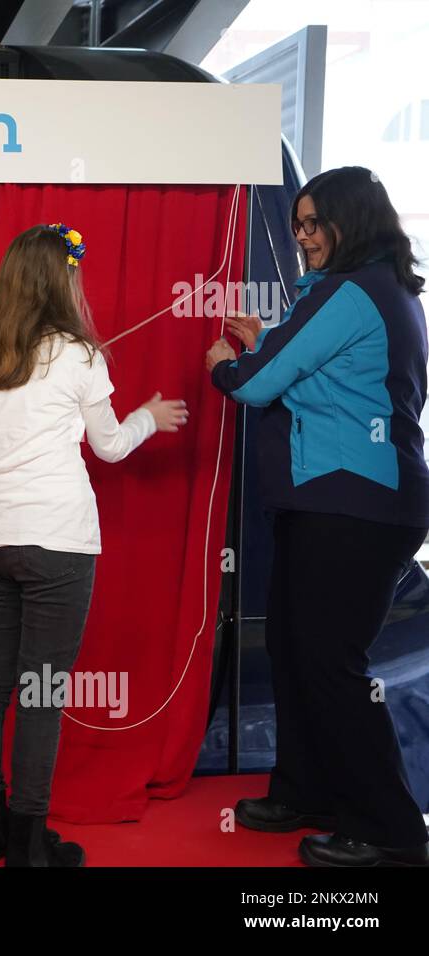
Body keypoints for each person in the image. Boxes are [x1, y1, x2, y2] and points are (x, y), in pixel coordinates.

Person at [207, 166, 429, 867]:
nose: (301, 237)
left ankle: (391, 831)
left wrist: (226, 362)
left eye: (312, 225)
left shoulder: (351, 290)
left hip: (353, 503)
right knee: (298, 655)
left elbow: (258, 382)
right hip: (331, 500)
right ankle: (307, 792)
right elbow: (321, 376)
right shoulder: (369, 290)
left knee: (330, 664)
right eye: (297, 224)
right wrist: (271, 340)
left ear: (350, 222)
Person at [0, 223, 188, 866]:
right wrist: (147, 418)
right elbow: (108, 446)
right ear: (63, 279)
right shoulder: (81, 356)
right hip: (56, 541)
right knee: (42, 693)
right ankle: (28, 846)